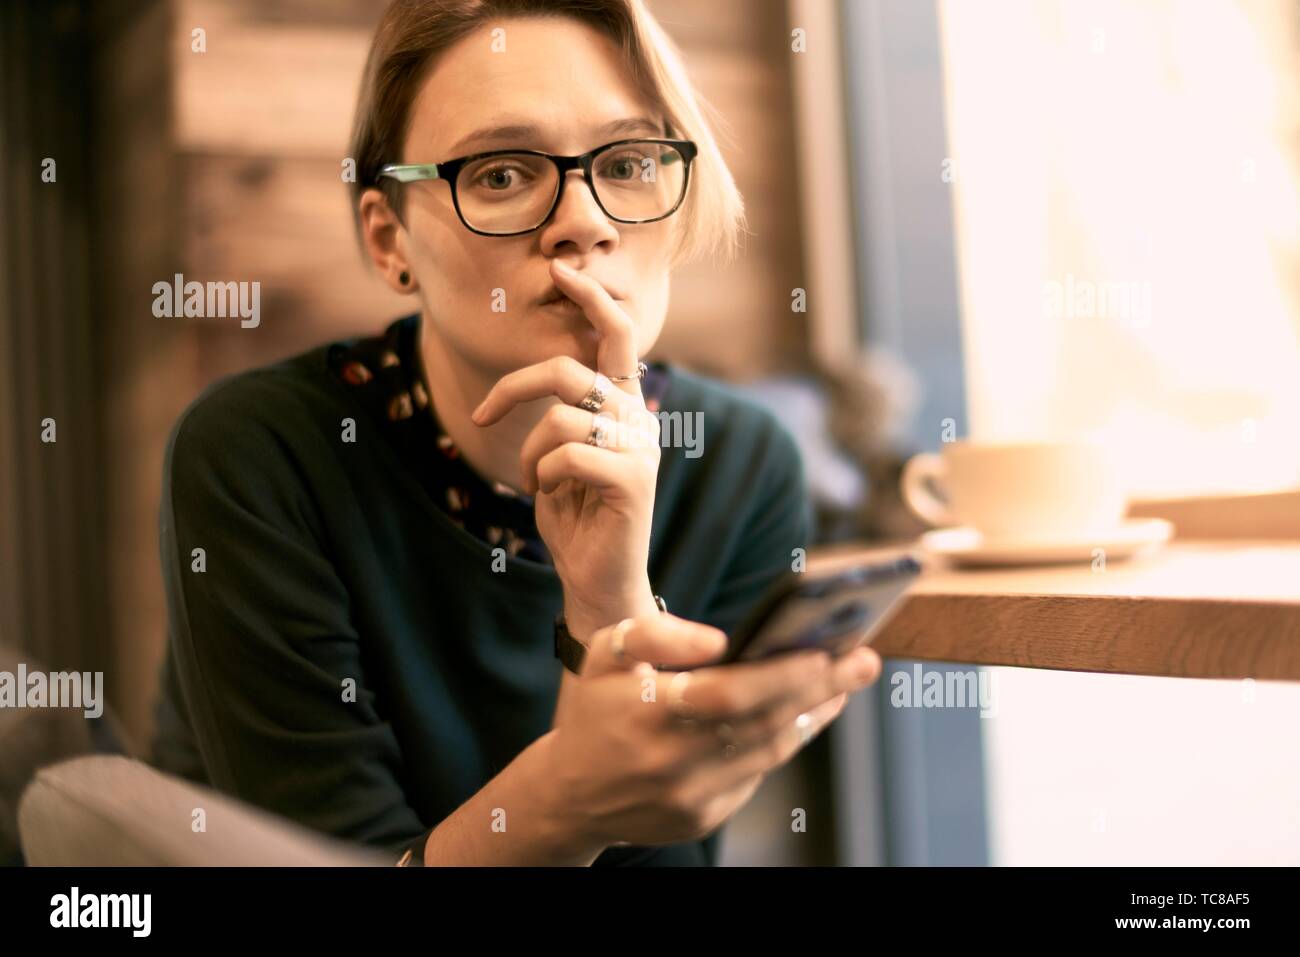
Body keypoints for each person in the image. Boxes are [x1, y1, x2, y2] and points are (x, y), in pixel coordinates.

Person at [149, 0, 883, 867]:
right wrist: (568, 796)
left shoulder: (741, 464)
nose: (584, 221)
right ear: (391, 242)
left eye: (629, 161)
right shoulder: (260, 455)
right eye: (501, 173)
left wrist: (610, 608)